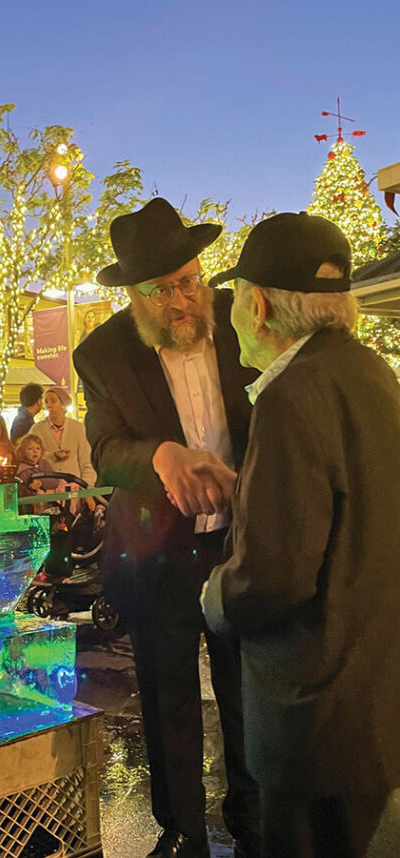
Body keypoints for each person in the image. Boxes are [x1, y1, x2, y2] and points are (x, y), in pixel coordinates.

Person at [201, 212, 400, 858]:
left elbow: (275, 577)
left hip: (311, 717)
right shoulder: (373, 373)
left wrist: (215, 596)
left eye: (234, 298)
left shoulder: (289, 398)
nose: (228, 315)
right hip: (372, 704)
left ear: (258, 307)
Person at [73, 198, 260, 858]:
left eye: (189, 281)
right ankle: (182, 827)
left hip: (241, 542)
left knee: (246, 689)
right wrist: (160, 455)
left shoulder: (242, 319)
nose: (182, 300)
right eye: (162, 289)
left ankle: (252, 817)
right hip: (160, 550)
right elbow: (106, 449)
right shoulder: (103, 353)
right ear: (134, 296)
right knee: (168, 693)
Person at [30, 388, 96, 487]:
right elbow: (29, 457)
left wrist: (86, 485)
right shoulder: (37, 429)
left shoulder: (78, 428)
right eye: (46, 402)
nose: (49, 405)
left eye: (53, 401)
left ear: (63, 404)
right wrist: (52, 455)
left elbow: (87, 461)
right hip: (48, 488)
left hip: (74, 487)